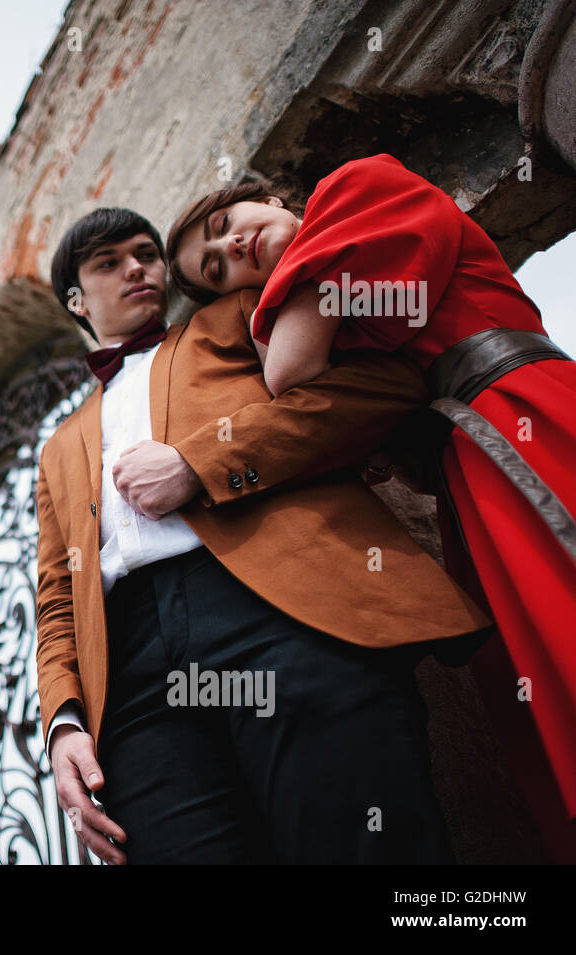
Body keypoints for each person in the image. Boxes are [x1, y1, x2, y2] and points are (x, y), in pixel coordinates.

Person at [36, 206, 492, 864]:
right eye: (109, 262)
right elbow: (55, 594)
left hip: (276, 608)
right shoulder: (56, 448)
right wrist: (63, 721)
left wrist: (202, 463)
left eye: (145, 253)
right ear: (76, 300)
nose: (137, 267)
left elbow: (380, 387)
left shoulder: (235, 317)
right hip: (130, 676)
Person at [165, 152, 576, 862]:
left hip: (517, 412)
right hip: (467, 473)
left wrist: (272, 325)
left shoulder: (356, 188)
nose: (230, 248)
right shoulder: (336, 309)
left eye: (224, 224)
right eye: (217, 271)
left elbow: (288, 370)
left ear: (267, 196)